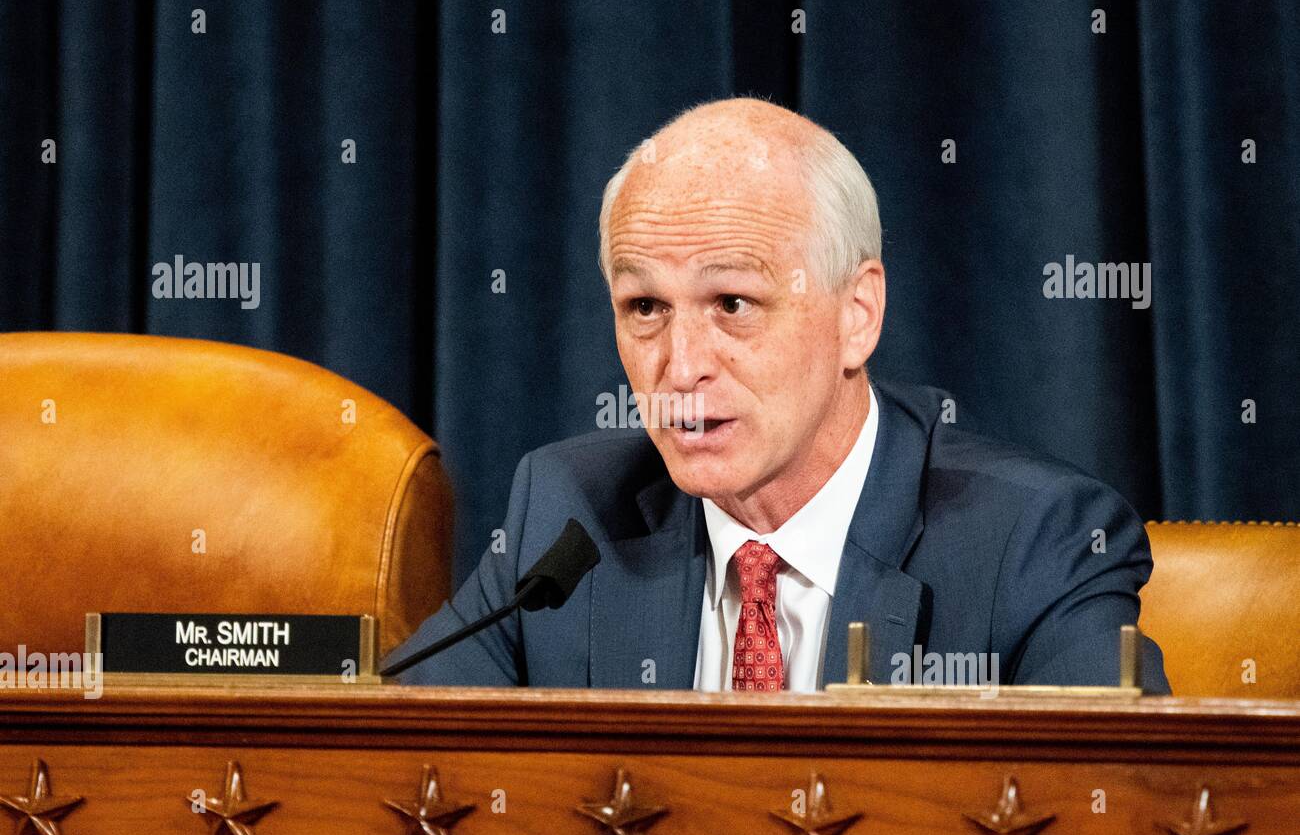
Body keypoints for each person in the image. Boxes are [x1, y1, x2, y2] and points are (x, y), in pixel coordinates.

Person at [387, 98, 1169, 694]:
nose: (682, 366)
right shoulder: (568, 517)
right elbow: (386, 770)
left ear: (856, 316)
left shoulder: (1036, 544)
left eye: (732, 303)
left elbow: (1133, 834)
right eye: (646, 309)